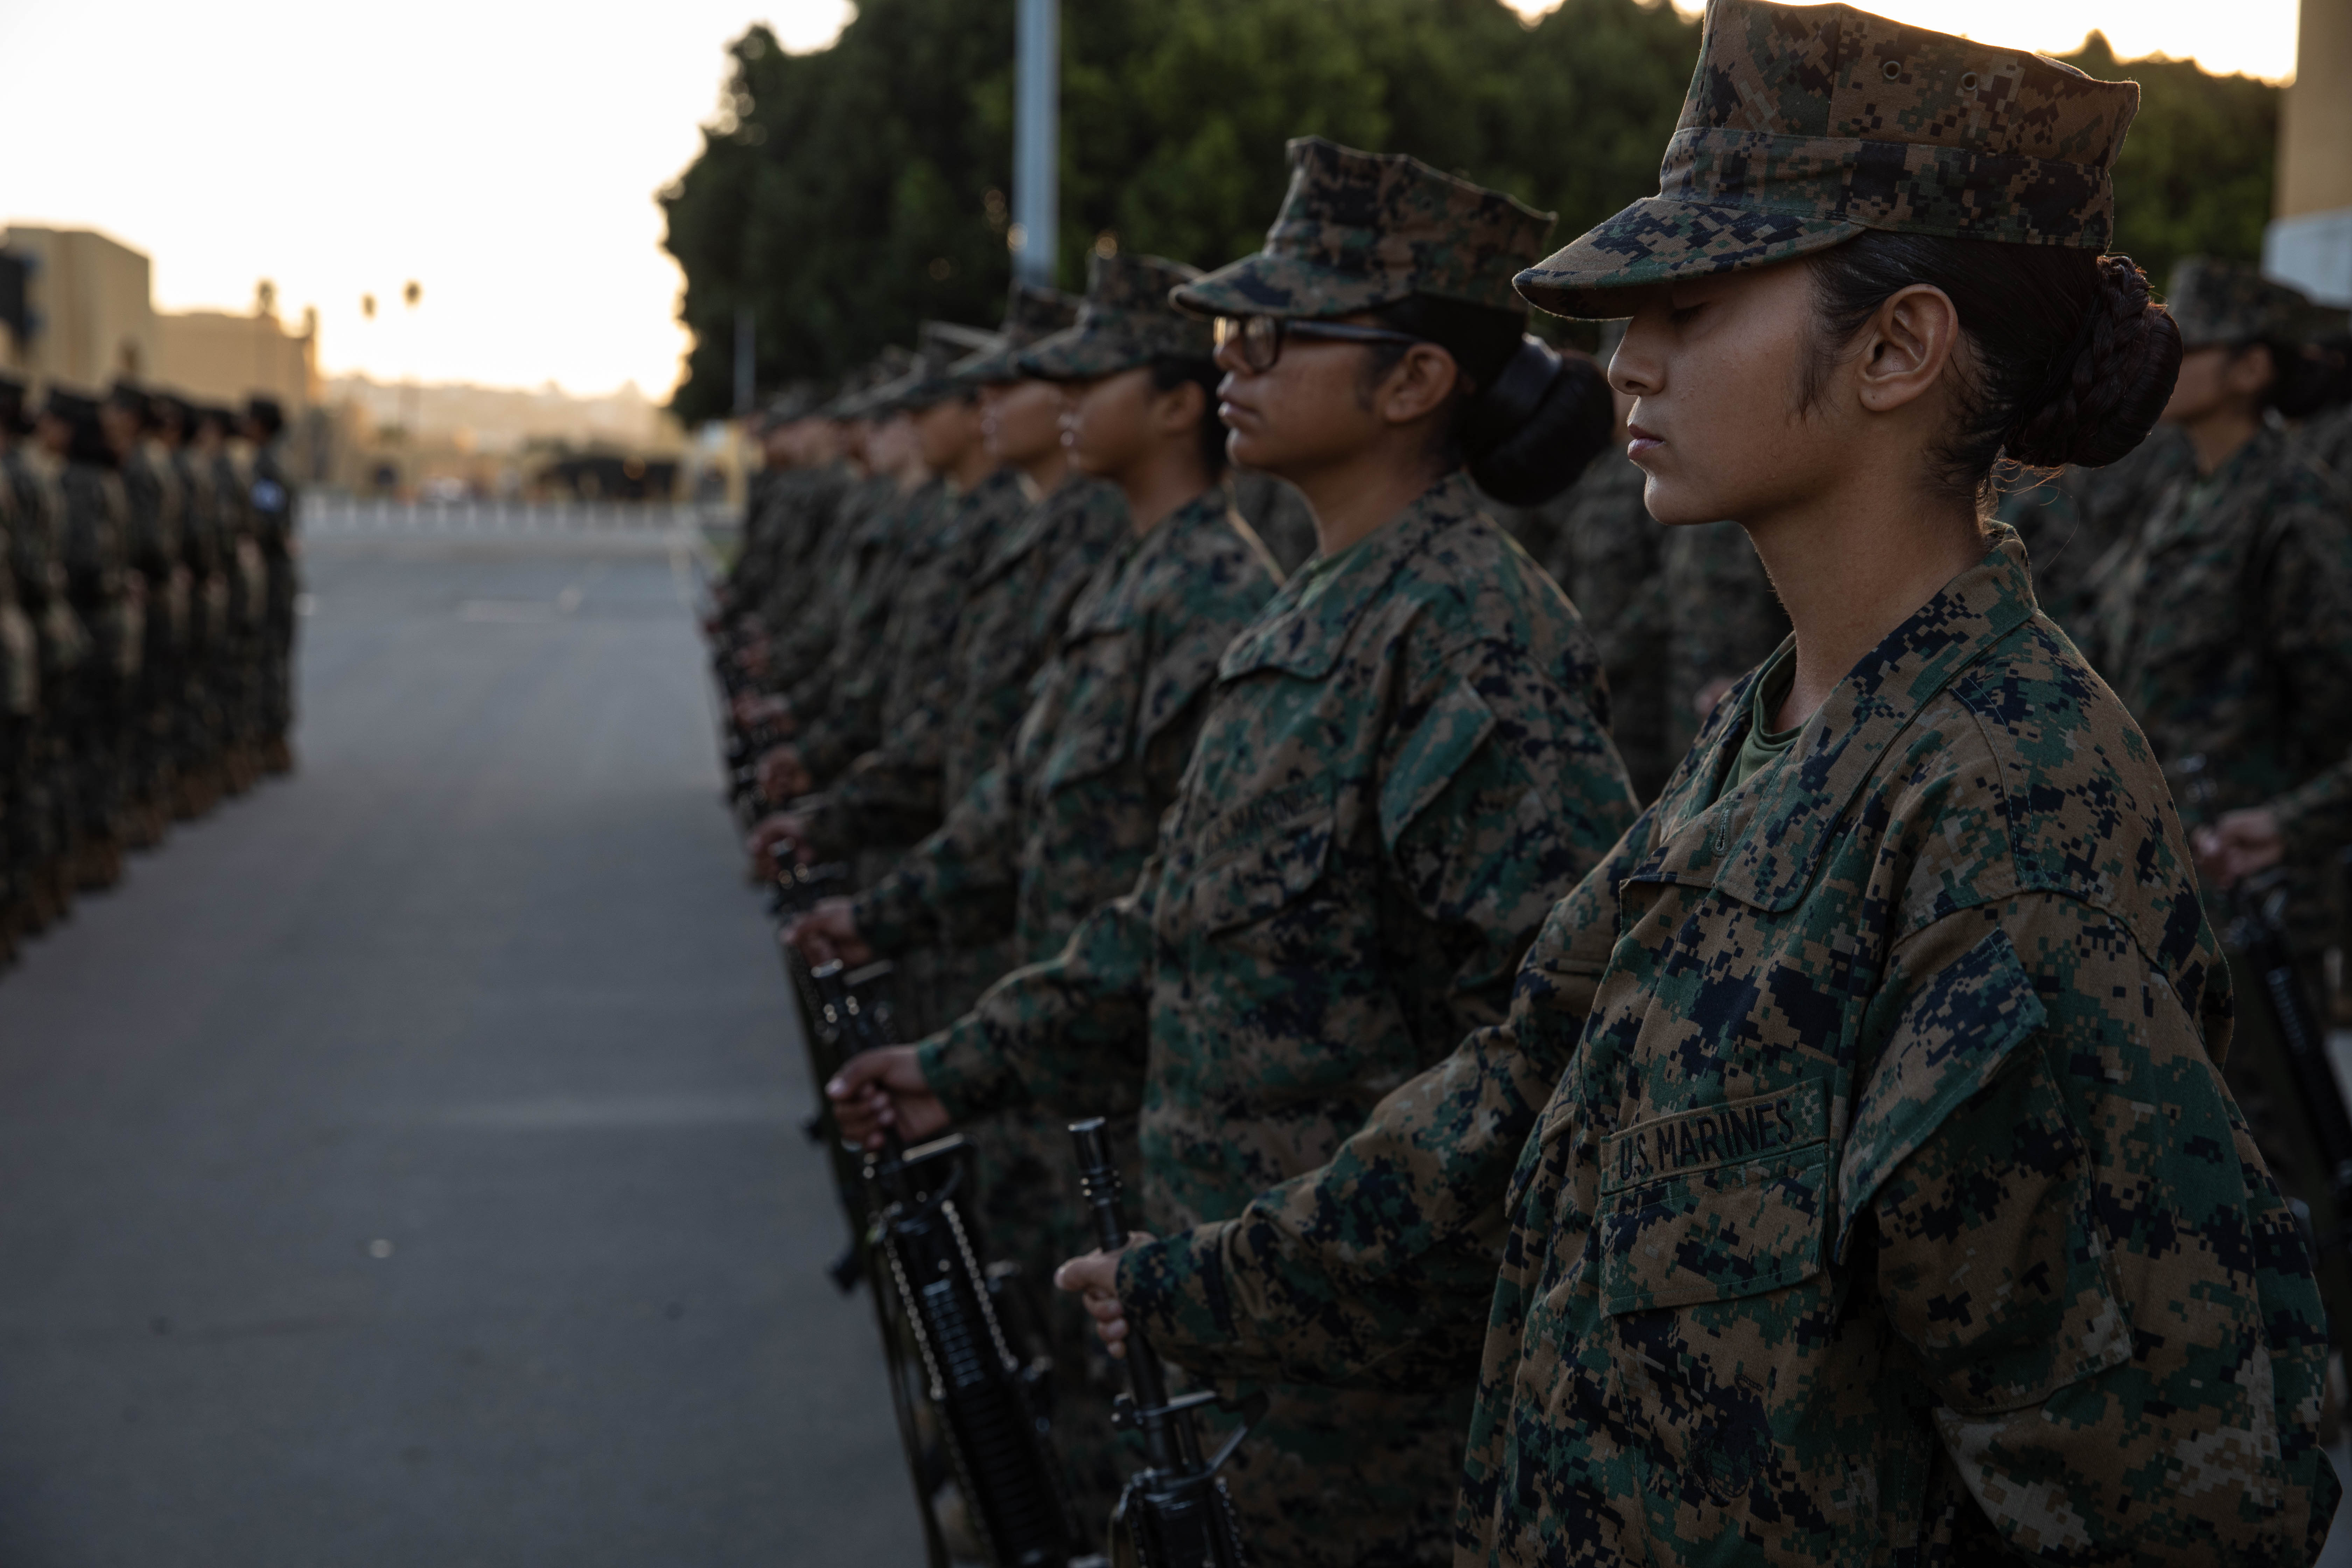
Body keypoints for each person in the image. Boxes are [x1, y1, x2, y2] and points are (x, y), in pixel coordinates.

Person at [1052, 6, 2339, 1561]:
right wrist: (1197, 1286)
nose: (1625, 363)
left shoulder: (2006, 811)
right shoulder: (1779, 727)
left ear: (1897, 347)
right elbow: (1515, 1094)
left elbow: (2156, 1498)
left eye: (1693, 302)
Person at [832, 138, 1629, 1564]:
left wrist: (1254, 1275)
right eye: (1226, 335)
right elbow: (1173, 923)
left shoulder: (1473, 637)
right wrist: (955, 1066)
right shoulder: (1315, 617)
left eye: (1276, 334)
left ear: (1413, 381)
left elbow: (1543, 1059)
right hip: (1236, 1347)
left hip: (1371, 1402)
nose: (1233, 364)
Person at [790, 252, 1283, 1520]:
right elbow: (1016, 792)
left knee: (1124, 1401)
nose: (1051, 394)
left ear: (1177, 403)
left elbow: (1190, 894)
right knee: (1050, 1362)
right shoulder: (1130, 576)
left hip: (1129, 1069)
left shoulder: (1219, 596)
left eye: (1085, 370)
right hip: (1056, 1030)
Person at [2078, 255, 2352, 1365]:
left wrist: (2287, 827)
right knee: (2191, 1146)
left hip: (2255, 900)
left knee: (2283, 1150)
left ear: (2249, 371)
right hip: (2167, 877)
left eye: (2199, 344)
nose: (2171, 360)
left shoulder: (2295, 506)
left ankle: (2321, 1363)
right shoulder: (2180, 487)